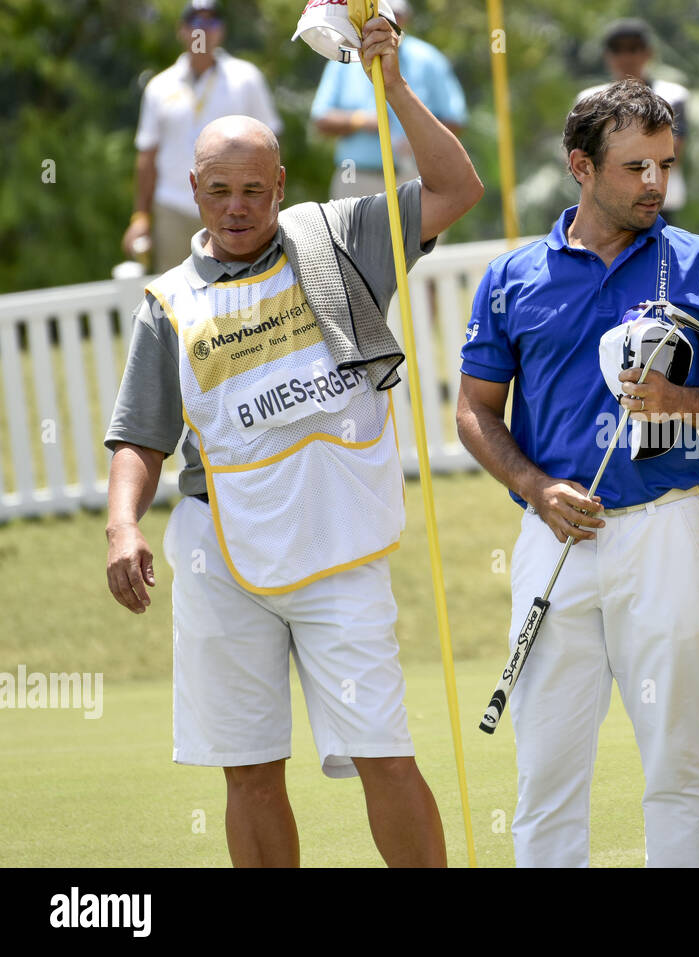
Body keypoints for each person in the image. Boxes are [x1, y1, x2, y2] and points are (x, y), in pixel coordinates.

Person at [103, 16, 483, 868]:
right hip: (219, 549)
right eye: (218, 191)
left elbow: (458, 188)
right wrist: (123, 525)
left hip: (338, 542)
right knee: (248, 771)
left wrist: (393, 88)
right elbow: (140, 437)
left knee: (385, 753)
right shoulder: (167, 302)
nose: (237, 207)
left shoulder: (340, 236)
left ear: (279, 184)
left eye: (254, 189)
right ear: (193, 188)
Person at [456, 80, 699, 868]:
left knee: (679, 759)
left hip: (668, 530)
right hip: (553, 536)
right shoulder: (511, 276)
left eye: (665, 164)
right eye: (635, 167)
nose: (655, 183)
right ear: (580, 166)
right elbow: (474, 411)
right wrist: (535, 488)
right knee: (547, 770)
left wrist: (678, 400)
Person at [122, 0, 282, 272]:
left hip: (233, 203)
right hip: (173, 206)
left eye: (211, 22)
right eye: (196, 22)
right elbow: (147, 157)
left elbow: (271, 145)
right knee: (174, 285)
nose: (203, 30)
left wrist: (270, 202)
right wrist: (140, 216)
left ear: (221, 30)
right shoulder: (159, 87)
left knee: (239, 280)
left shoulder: (246, 79)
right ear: (182, 30)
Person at [311, 0, 468, 200]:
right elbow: (321, 118)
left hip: (415, 177)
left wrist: (420, 139)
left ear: (405, 18)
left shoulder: (429, 59)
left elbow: (455, 119)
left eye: (395, 15)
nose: (386, 21)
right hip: (357, 179)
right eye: (381, 14)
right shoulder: (345, 58)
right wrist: (360, 120)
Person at [578, 19, 689, 221]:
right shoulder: (589, 100)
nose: (626, 57)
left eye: (633, 49)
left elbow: (672, 152)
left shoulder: (672, 96)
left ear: (648, 53)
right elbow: (583, 156)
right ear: (606, 55)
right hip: (608, 207)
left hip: (658, 204)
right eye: (617, 50)